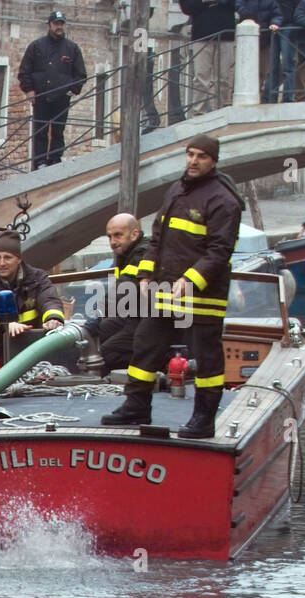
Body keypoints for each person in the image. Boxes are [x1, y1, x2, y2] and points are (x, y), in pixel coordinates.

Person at [102, 135, 243, 438]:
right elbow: (157, 236)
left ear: (213, 161)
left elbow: (220, 250)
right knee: (145, 343)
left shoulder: (224, 201)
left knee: (206, 357)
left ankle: (203, 419)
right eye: (190, 154)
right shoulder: (177, 190)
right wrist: (145, 274)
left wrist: (190, 279)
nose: (193, 161)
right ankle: (137, 405)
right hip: (165, 290)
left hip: (203, 295)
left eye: (201, 156)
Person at [0, 231, 66, 361]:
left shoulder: (38, 278)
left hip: (33, 351)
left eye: (7, 257)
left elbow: (49, 299)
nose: (2, 263)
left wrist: (53, 318)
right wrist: (7, 325)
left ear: (19, 259)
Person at [18, 11, 87, 170]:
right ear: (50, 25)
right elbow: (24, 71)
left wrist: (72, 90)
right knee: (40, 130)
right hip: (41, 96)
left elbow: (81, 74)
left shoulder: (72, 48)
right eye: (56, 24)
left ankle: (55, 159)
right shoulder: (36, 46)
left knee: (58, 130)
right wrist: (28, 90)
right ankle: (40, 161)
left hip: (61, 97)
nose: (59, 27)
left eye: (61, 24)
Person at [85, 213, 150, 373]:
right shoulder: (125, 254)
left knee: (105, 354)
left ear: (134, 234)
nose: (113, 242)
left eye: (118, 235)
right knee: (96, 334)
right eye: (109, 237)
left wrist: (96, 315)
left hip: (151, 320)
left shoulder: (143, 254)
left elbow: (121, 290)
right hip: (132, 315)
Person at [181, 1, 238, 114]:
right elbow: (186, 7)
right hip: (201, 35)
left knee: (224, 77)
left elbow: (238, 4)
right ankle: (199, 113)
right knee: (201, 76)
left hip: (225, 35)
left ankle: (222, 110)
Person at [238, 0, 285, 100]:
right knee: (249, 72)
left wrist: (275, 23)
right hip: (246, 42)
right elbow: (239, 7)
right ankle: (254, 97)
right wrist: (248, 17)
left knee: (266, 71)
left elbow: (277, 14)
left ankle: (264, 97)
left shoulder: (270, 2)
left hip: (265, 41)